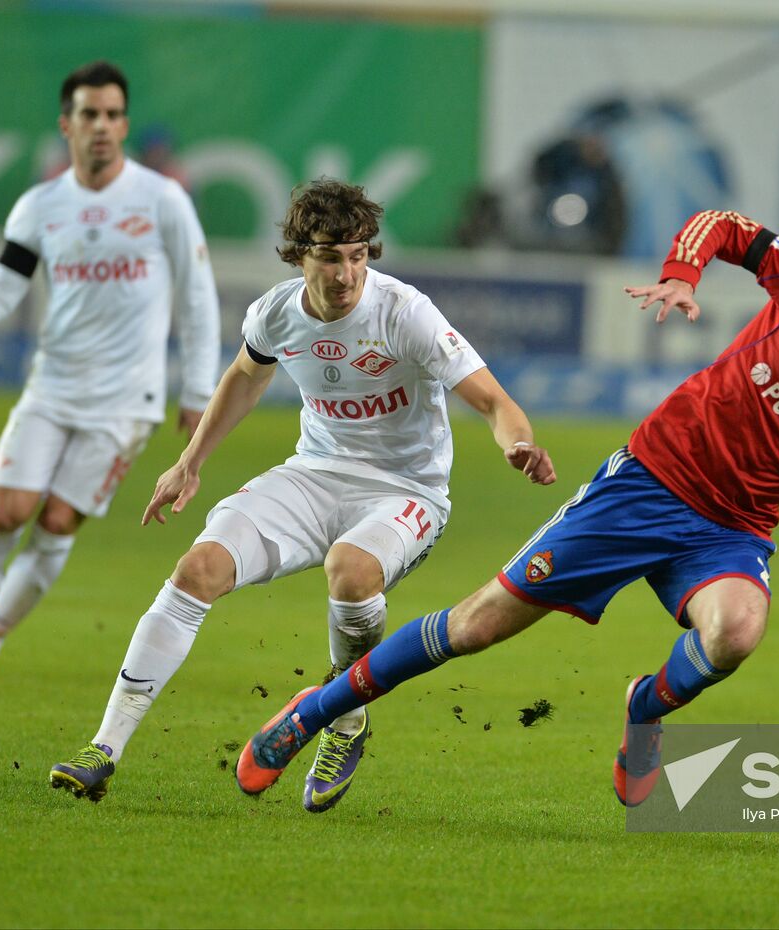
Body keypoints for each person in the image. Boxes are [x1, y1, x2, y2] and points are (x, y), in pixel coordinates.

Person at [233, 209, 779, 807]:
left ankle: (644, 709)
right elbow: (723, 227)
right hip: (647, 485)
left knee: (737, 632)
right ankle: (313, 712)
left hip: (733, 530)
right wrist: (684, 273)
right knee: (474, 629)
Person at [47, 178, 557, 809]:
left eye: (358, 255)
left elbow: (493, 400)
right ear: (299, 255)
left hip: (407, 490)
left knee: (351, 571)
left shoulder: (405, 313)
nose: (346, 273)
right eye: (329, 256)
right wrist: (189, 462)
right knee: (196, 569)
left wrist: (517, 443)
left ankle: (345, 720)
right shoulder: (275, 313)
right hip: (314, 474)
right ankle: (103, 748)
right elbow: (245, 374)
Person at [0, 61, 221, 676]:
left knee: (60, 520)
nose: (102, 126)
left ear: (125, 125)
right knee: (7, 513)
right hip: (52, 386)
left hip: (128, 401)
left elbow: (198, 297)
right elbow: (0, 291)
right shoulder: (41, 206)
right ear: (67, 124)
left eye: (113, 115)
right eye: (90, 114)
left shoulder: (162, 200)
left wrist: (199, 389)